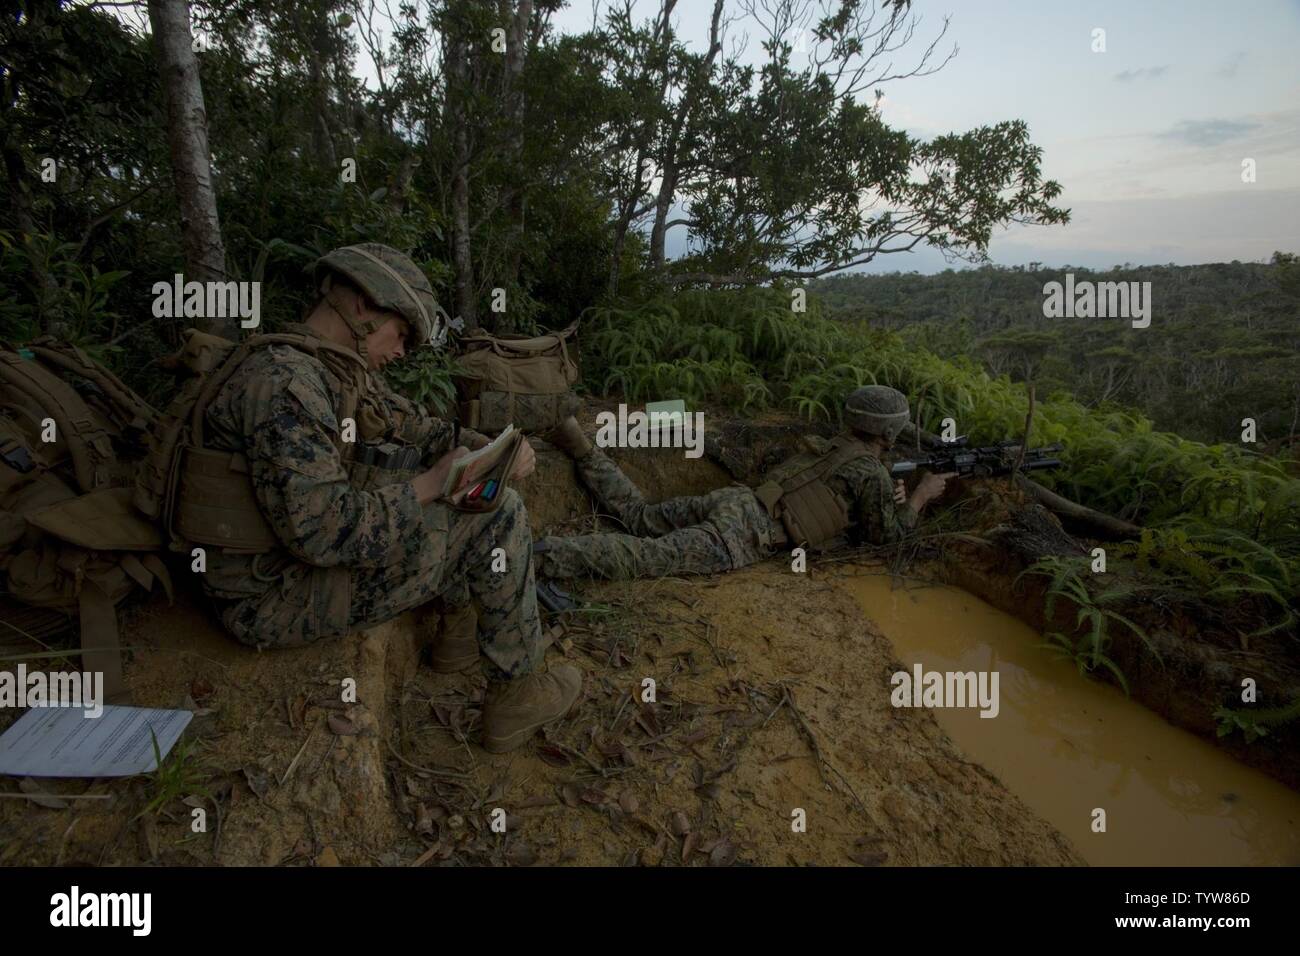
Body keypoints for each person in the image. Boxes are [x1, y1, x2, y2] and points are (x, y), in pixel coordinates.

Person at [181, 242, 581, 753]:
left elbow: (414, 426)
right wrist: (434, 483)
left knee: (462, 489)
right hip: (269, 598)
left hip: (284, 573)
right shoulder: (285, 383)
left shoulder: (333, 369)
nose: (400, 353)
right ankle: (517, 695)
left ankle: (458, 638)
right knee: (498, 513)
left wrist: (485, 451)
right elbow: (323, 532)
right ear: (363, 305)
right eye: (401, 335)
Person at [533, 386, 954, 582]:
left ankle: (582, 448)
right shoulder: (871, 474)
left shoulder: (832, 446)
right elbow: (885, 536)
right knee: (646, 557)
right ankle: (538, 558)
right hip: (743, 533)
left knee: (641, 517)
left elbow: (833, 499)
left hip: (734, 502)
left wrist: (893, 494)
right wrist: (919, 497)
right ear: (889, 433)